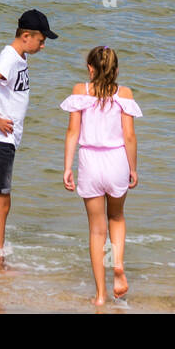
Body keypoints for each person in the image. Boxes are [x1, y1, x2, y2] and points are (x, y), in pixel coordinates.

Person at [0, 9, 56, 269]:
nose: (43, 46)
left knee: (2, 204)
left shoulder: (19, 57)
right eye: (41, 40)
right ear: (26, 35)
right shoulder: (9, 57)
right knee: (0, 205)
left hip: (3, 142)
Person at [61, 46, 141, 306]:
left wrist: (67, 167)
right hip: (116, 160)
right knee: (116, 217)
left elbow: (72, 132)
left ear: (90, 69)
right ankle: (117, 264)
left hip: (90, 162)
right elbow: (129, 136)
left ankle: (100, 296)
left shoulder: (79, 91)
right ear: (116, 70)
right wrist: (133, 168)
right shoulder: (124, 94)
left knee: (97, 231)